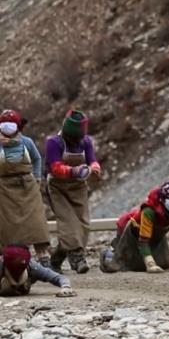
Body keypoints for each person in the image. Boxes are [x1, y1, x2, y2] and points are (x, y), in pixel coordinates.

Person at [0, 109, 51, 266]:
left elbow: (37, 159)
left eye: (10, 124)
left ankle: (43, 256)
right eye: (4, 124)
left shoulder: (27, 143)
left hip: (29, 188)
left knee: (36, 222)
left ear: (18, 126)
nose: (7, 127)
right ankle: (14, 260)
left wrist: (36, 179)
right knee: (9, 227)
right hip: (6, 191)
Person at [44, 109, 101, 274]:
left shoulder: (85, 142)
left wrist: (94, 169)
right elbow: (54, 167)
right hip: (57, 187)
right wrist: (74, 171)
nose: (78, 140)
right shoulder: (54, 143)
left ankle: (56, 259)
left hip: (78, 187)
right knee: (68, 222)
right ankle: (77, 258)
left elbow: (92, 160)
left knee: (83, 224)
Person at [100, 181, 169, 273]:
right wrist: (150, 263)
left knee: (165, 264)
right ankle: (108, 255)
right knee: (119, 265)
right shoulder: (149, 212)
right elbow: (143, 240)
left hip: (155, 237)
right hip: (133, 233)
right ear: (162, 200)